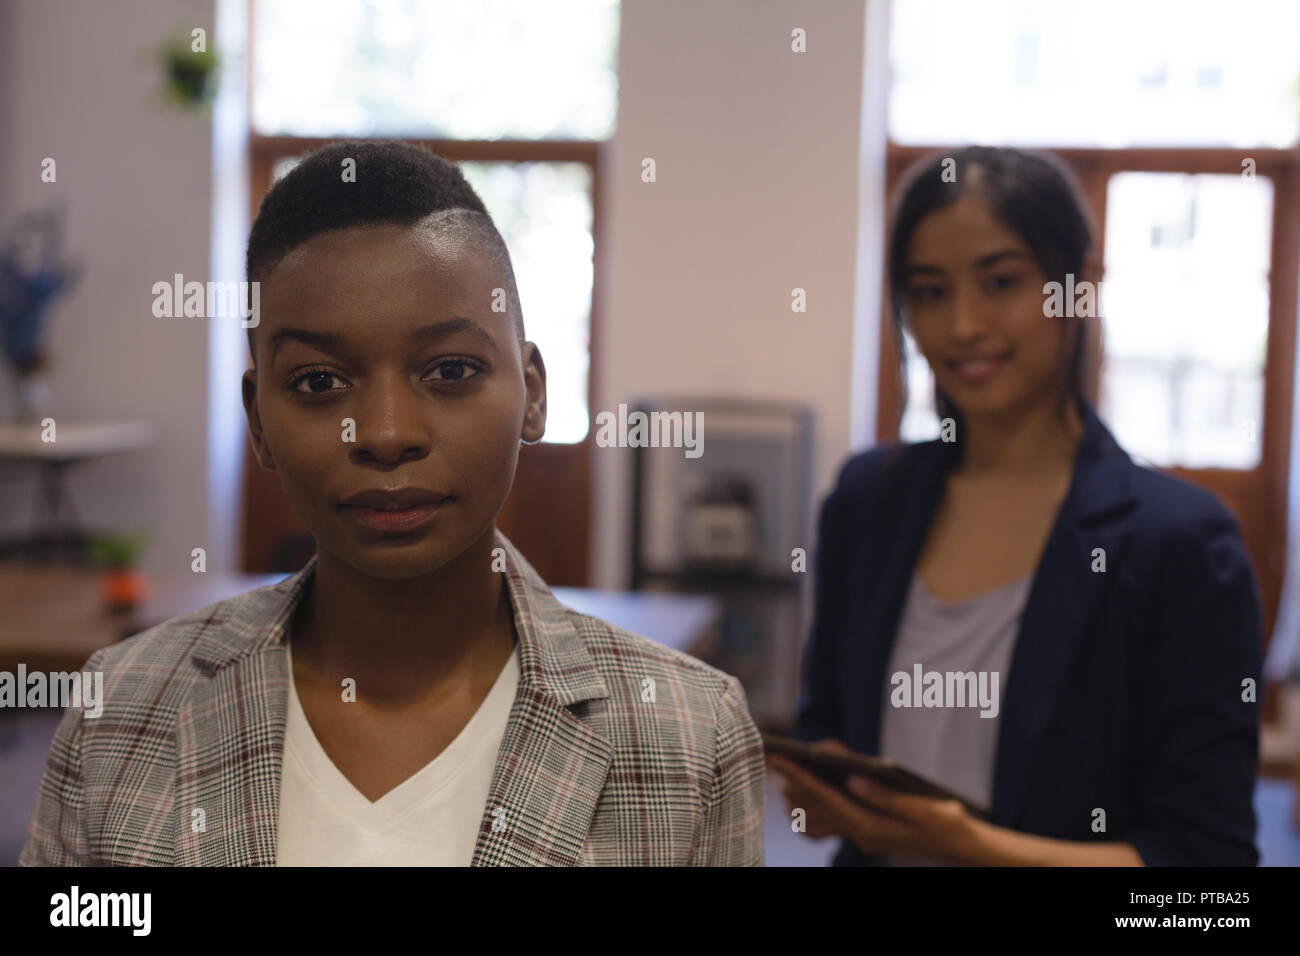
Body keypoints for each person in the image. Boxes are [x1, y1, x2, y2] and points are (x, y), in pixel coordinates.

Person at [21, 140, 764, 867]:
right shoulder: (117, 714)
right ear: (259, 422)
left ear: (532, 394)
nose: (384, 433)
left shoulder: (688, 738)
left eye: (450, 369)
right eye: (318, 382)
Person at [770, 146, 1262, 866]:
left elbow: (1205, 877)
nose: (962, 325)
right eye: (930, 292)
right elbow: (826, 731)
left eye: (1000, 282)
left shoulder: (1179, 545)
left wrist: (969, 847)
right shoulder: (867, 500)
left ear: (1078, 288)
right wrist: (824, 791)